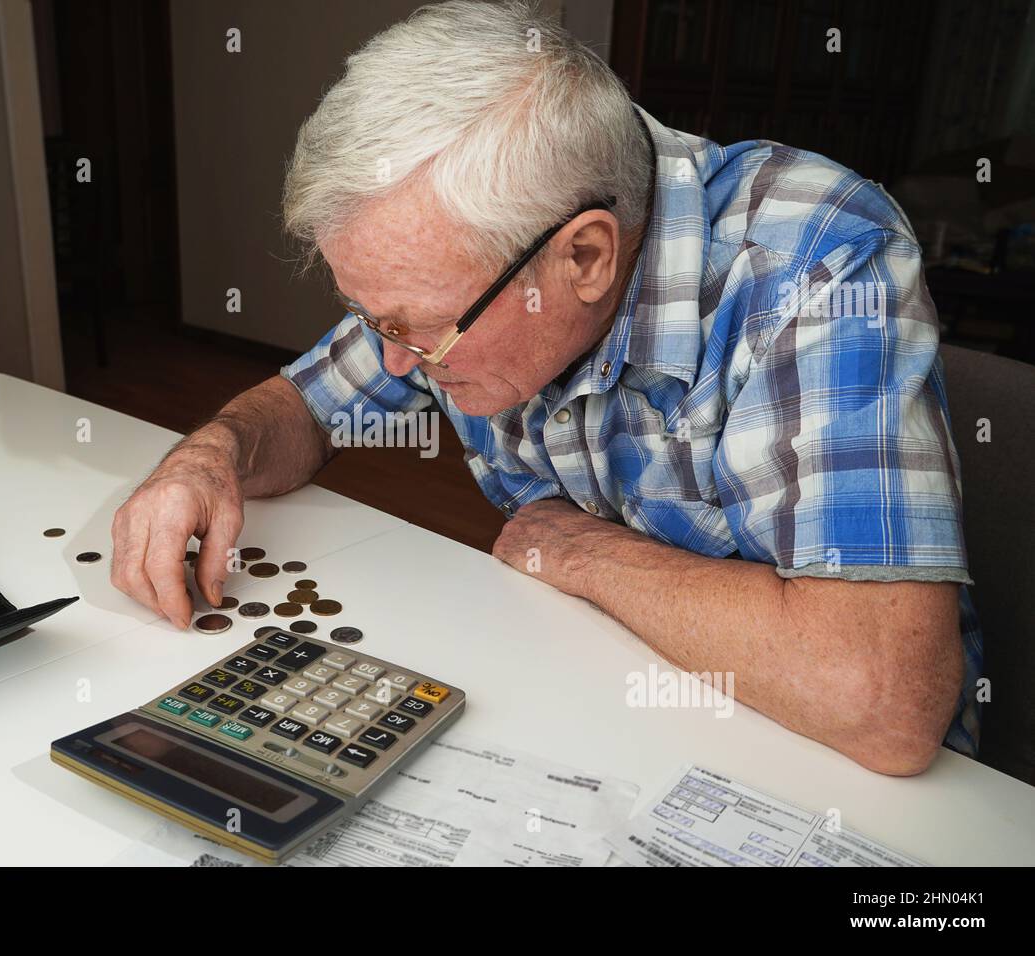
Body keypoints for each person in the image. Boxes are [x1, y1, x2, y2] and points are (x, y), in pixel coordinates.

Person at [111, 1, 980, 776]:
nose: (400, 362)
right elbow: (307, 404)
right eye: (375, 319)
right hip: (596, 701)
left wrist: (571, 549)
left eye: (422, 327)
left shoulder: (816, 260)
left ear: (586, 256)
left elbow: (882, 701)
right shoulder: (464, 270)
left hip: (817, 772)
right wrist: (209, 454)